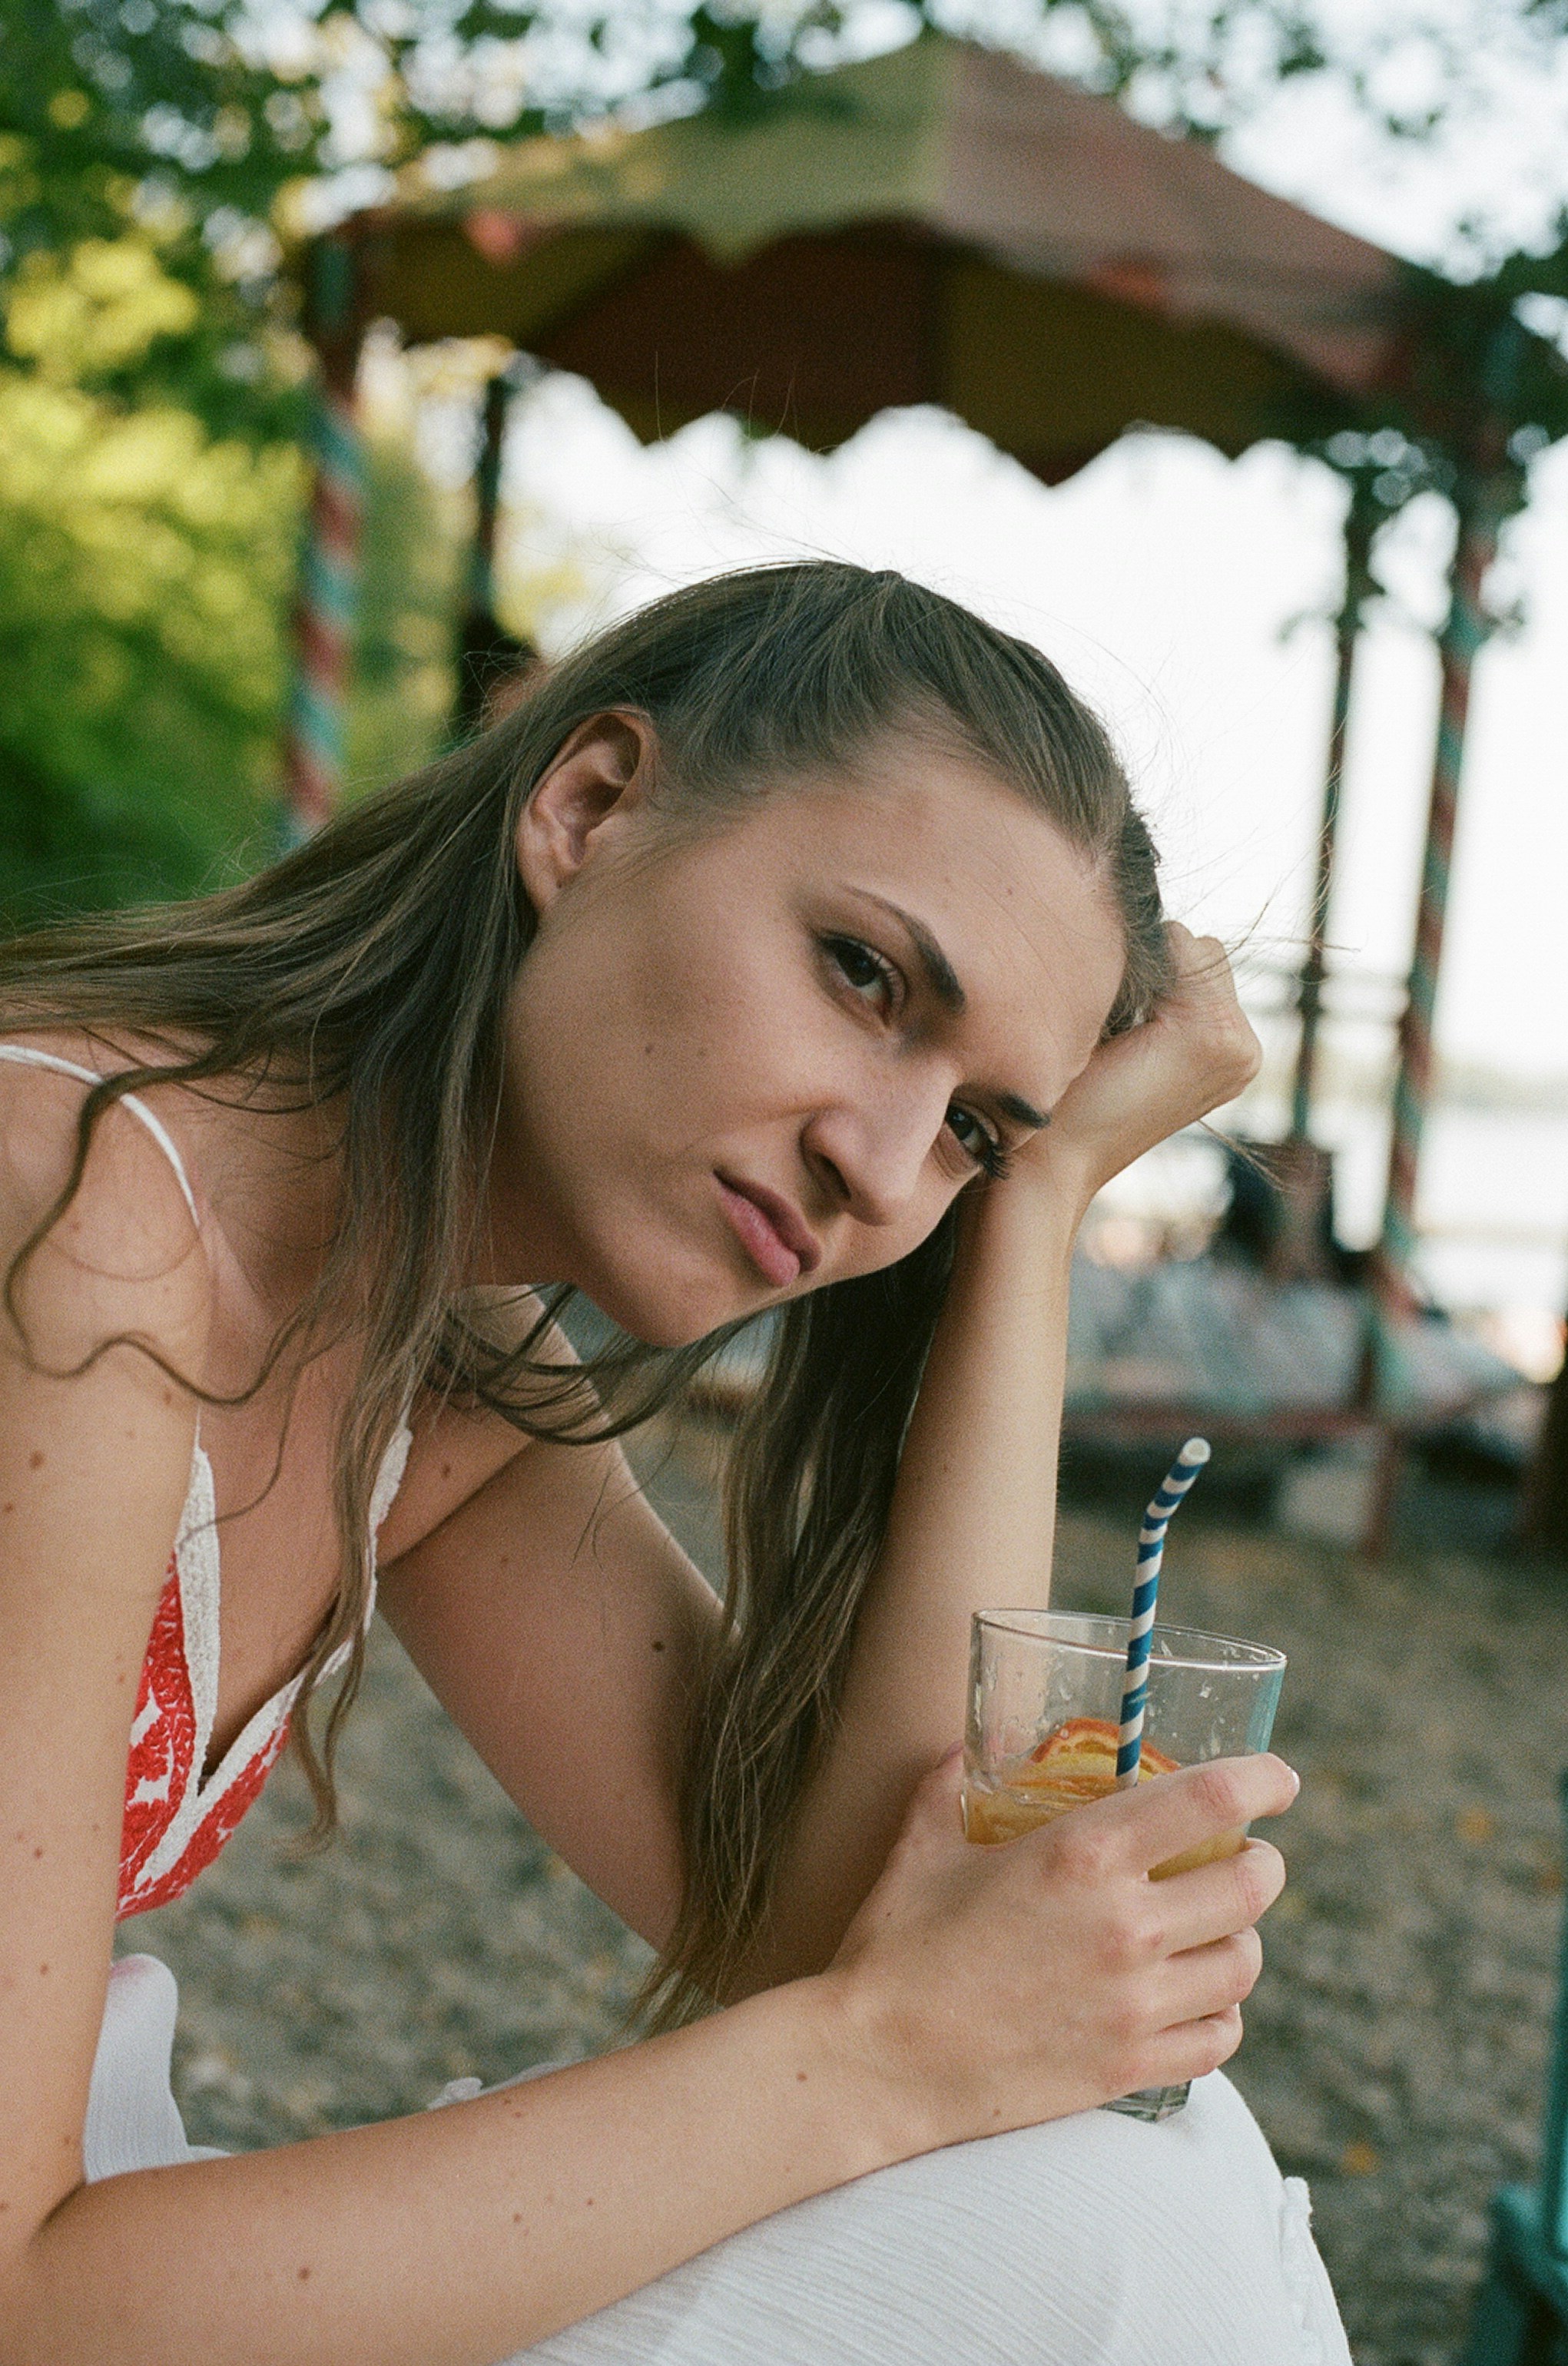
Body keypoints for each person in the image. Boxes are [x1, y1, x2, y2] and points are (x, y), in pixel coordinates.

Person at [0, 562, 1350, 2364]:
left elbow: (833, 1901)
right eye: (863, 974)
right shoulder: (66, 1228)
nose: (881, 1167)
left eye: (960, 1122)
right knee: (1111, 2226)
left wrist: (1036, 1208)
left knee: (1130, 2192)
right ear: (586, 806)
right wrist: (879, 2054)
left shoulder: (436, 1349)